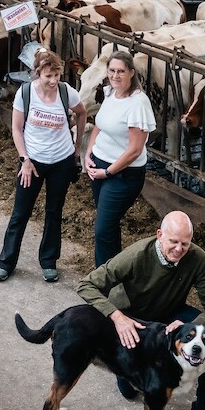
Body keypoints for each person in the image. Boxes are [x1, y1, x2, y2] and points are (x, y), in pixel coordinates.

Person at [75, 210, 205, 410]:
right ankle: (146, 382)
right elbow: (86, 285)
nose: (179, 249)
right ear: (160, 235)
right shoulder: (137, 255)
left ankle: (203, 407)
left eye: (185, 243)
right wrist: (117, 317)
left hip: (169, 312)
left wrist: (193, 325)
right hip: (132, 318)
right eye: (173, 242)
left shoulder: (197, 258)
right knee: (131, 391)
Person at [0, 49, 86, 283]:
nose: (54, 81)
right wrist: (24, 159)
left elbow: (82, 113)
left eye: (57, 75)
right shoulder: (25, 93)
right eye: (48, 76)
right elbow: (16, 128)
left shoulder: (67, 92)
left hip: (61, 162)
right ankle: (6, 262)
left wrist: (76, 146)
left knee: (54, 212)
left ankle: (48, 262)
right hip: (31, 162)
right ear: (37, 74)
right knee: (20, 213)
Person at [84, 49, 155, 267]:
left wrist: (109, 171)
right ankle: (113, 272)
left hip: (122, 174)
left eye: (121, 71)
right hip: (99, 164)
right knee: (108, 225)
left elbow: (135, 149)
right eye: (112, 70)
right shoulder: (109, 93)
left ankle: (102, 281)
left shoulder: (138, 103)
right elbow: (99, 125)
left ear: (131, 73)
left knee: (103, 227)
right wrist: (89, 152)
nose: (115, 75)